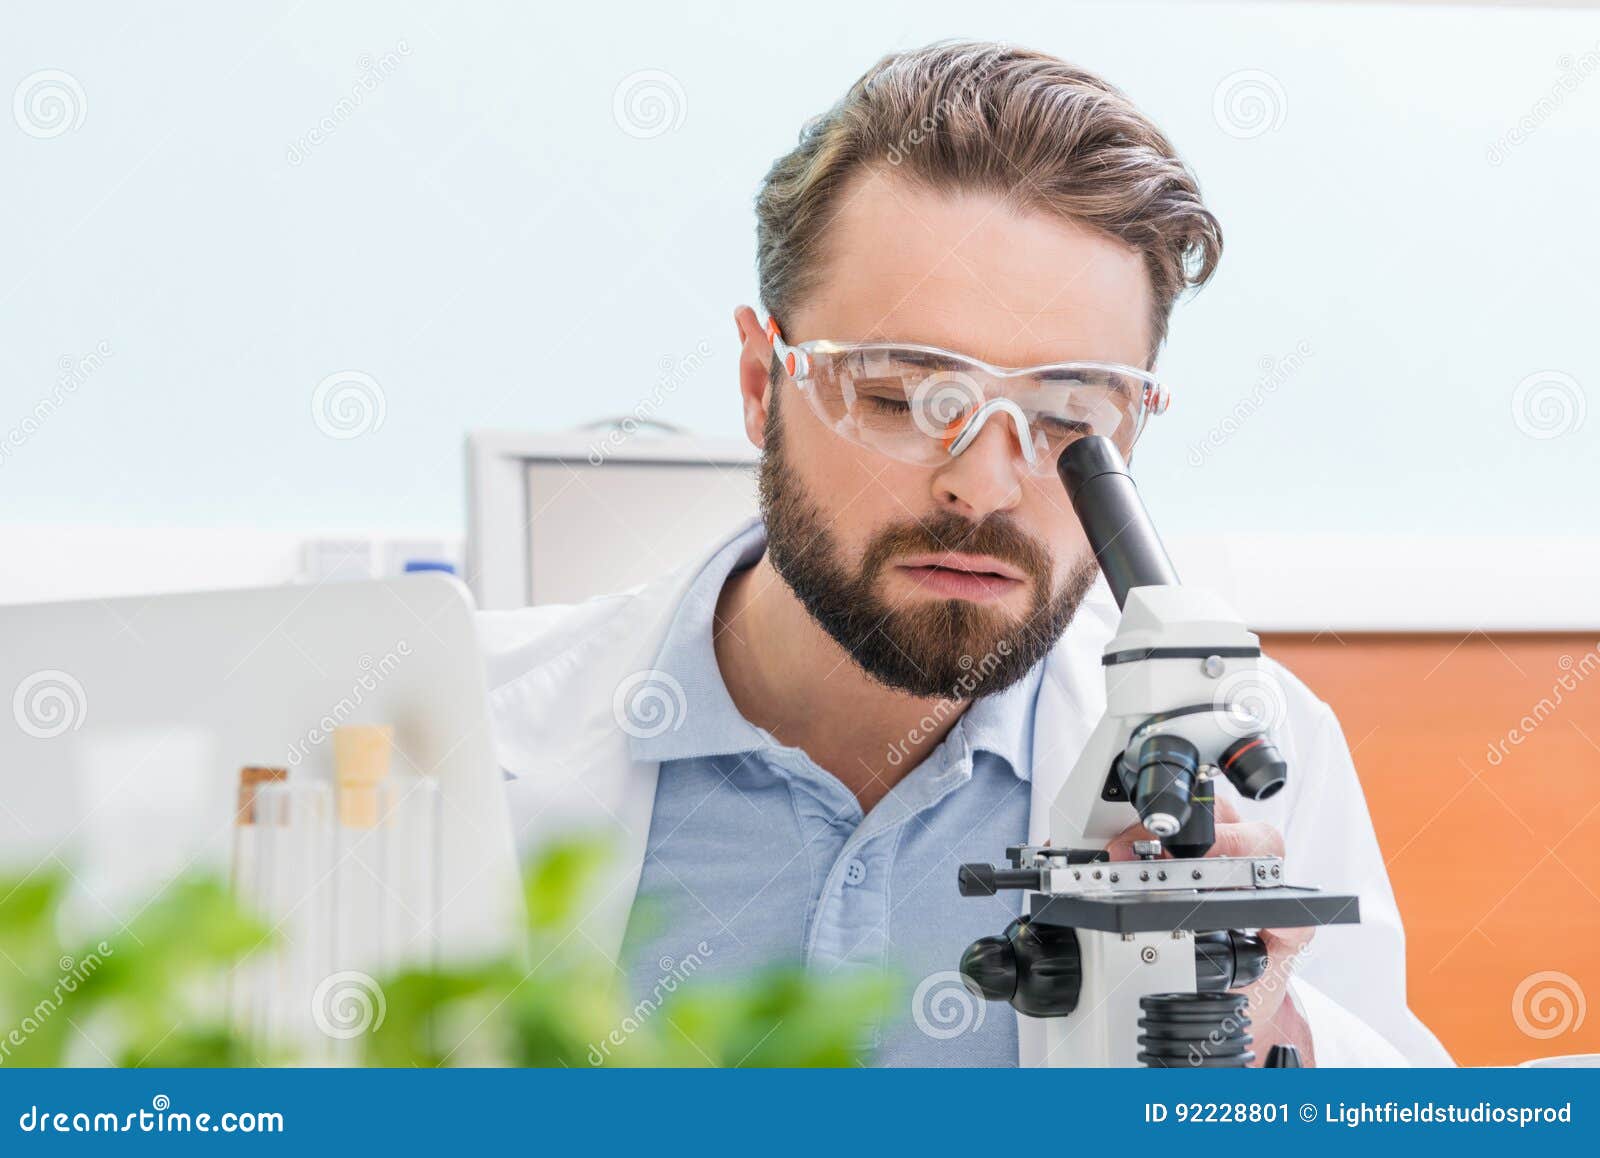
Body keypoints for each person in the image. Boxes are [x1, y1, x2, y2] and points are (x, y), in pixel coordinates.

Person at [478, 39, 1451, 1067]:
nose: (982, 488)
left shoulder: (1255, 748)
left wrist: (1258, 1048)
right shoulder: (464, 729)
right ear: (763, 383)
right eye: (901, 399)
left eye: (1067, 414)